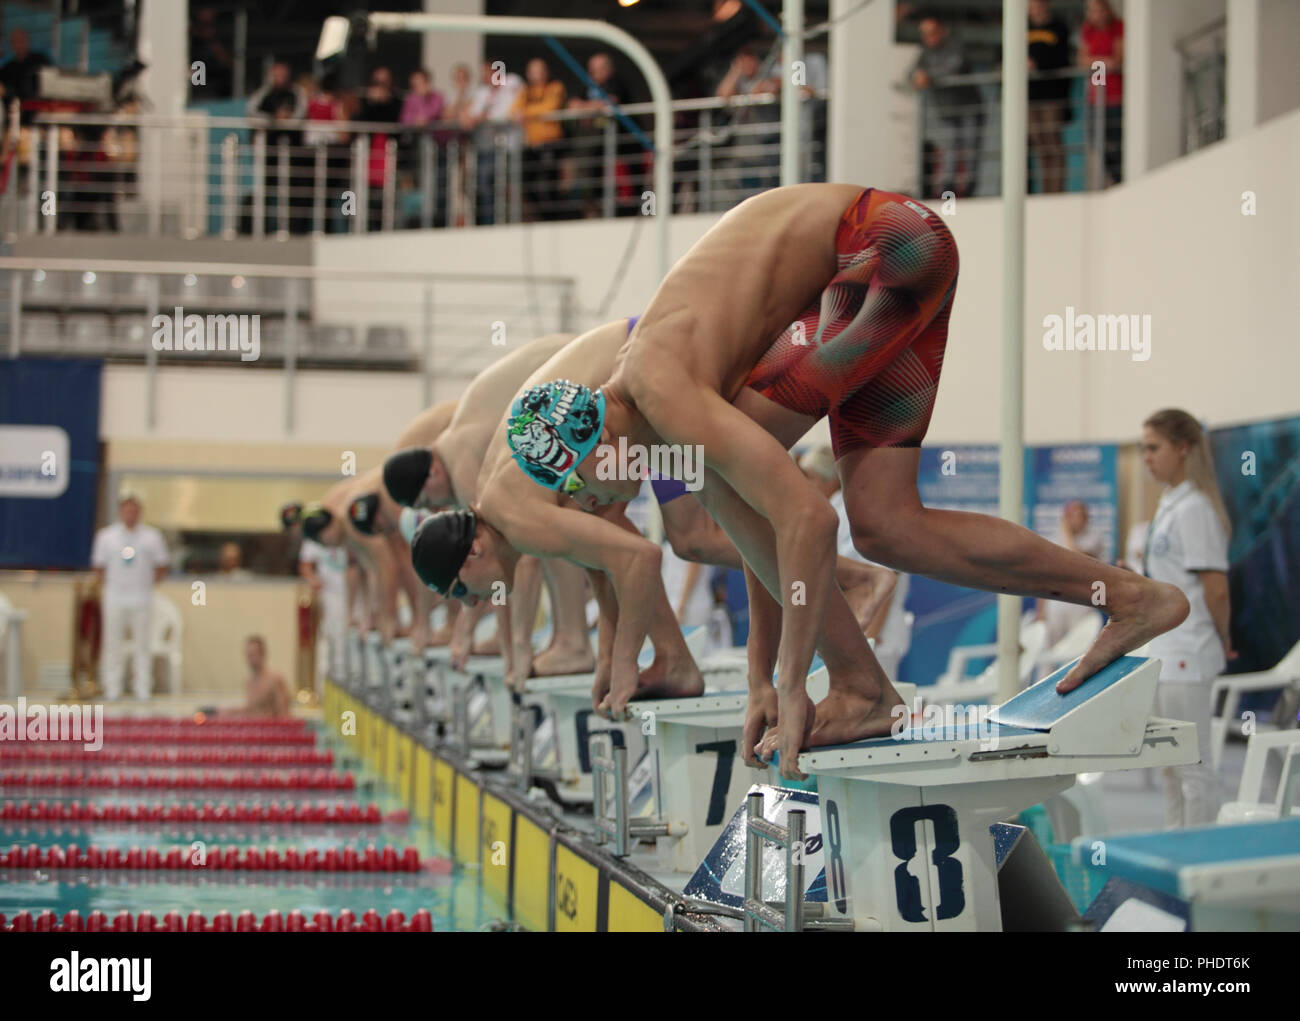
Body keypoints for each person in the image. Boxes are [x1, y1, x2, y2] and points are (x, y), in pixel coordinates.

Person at [500, 183, 1190, 779]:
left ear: (597, 442)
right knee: (888, 525)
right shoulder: (657, 406)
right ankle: (1130, 595)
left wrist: (792, 684)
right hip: (900, 253)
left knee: (731, 485)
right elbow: (767, 520)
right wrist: (762, 679)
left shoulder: (656, 383)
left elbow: (805, 520)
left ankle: (860, 687)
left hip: (883, 245)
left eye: (576, 486)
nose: (588, 505)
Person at [1140, 409, 1231, 827]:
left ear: (1183, 448)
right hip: (1163, 650)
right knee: (1170, 767)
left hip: (1188, 651)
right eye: (1142, 449)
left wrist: (1224, 637)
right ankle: (1174, 855)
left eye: (1153, 448)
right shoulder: (1169, 505)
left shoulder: (1195, 508)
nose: (1146, 457)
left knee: (1193, 765)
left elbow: (1215, 588)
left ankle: (1201, 861)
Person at [801, 445, 912, 682]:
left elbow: (885, 576)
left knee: (878, 704)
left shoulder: (853, 513)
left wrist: (869, 636)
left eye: (810, 478)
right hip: (854, 634)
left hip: (871, 635)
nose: (806, 487)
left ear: (830, 480)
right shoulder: (836, 512)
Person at [91, 492, 170, 700]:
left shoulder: (152, 537)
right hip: (115, 598)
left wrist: (147, 585)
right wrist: (110, 587)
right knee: (112, 644)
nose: (130, 514)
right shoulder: (106, 537)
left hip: (141, 598)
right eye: (127, 510)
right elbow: (99, 567)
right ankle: (112, 688)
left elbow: (162, 565)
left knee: (142, 645)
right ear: (120, 512)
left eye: (134, 510)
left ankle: (143, 689)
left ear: (140, 512)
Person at [910, 16, 982, 198]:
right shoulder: (925, 54)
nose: (929, 37)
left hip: (969, 108)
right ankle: (948, 191)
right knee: (950, 150)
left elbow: (955, 67)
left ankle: (969, 189)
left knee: (970, 149)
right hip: (947, 111)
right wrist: (918, 77)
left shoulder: (955, 47)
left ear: (942, 31)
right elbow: (912, 73)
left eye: (932, 32)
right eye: (925, 34)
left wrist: (929, 76)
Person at [460, 59, 524, 225]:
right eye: (484, 74)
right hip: (485, 146)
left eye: (489, 72)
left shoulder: (511, 83)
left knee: (506, 184)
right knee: (483, 184)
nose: (486, 77)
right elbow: (469, 114)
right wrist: (470, 117)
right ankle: (488, 221)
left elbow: (512, 110)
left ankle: (507, 219)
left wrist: (484, 118)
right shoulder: (482, 92)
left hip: (508, 145)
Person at [715, 43, 781, 194]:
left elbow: (770, 87)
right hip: (751, 143)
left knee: (774, 181)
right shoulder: (741, 80)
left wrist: (752, 94)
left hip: (773, 137)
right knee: (750, 182)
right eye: (742, 62)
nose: (747, 66)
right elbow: (723, 94)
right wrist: (735, 71)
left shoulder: (768, 72)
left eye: (749, 61)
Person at [511, 58, 566, 221]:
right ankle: (543, 216)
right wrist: (526, 113)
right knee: (527, 183)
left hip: (550, 142)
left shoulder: (555, 87)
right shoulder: (525, 92)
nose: (537, 75)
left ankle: (554, 217)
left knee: (549, 183)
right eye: (534, 71)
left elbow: (550, 108)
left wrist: (526, 113)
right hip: (531, 144)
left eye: (540, 70)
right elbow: (513, 111)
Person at [1027, 0, 1072, 194]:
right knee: (1039, 145)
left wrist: (1038, 63)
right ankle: (1044, 189)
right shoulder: (1022, 27)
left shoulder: (1059, 28)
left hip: (1052, 95)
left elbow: (1063, 58)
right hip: (1030, 97)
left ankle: (1055, 190)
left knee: (1052, 143)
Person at [1078, 0, 1124, 186]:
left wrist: (1095, 61)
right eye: (1091, 10)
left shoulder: (1118, 27)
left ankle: (1119, 176)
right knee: (1095, 137)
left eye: (1098, 10)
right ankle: (1114, 176)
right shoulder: (1088, 30)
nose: (1095, 14)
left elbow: (1118, 59)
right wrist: (1103, 62)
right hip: (1095, 94)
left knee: (1114, 137)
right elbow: (1082, 60)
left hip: (1114, 93)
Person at [239, 635, 291, 717]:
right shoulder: (248, 683)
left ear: (263, 654)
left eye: (253, 654)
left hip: (272, 728)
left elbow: (284, 713)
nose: (249, 659)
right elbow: (252, 710)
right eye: (248, 655)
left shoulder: (275, 680)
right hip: (255, 728)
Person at [0, 29, 52, 107]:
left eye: (22, 39)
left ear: (28, 41)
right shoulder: (7, 68)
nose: (19, 44)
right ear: (12, 44)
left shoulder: (41, 60)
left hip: (39, 108)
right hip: (15, 109)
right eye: (16, 41)